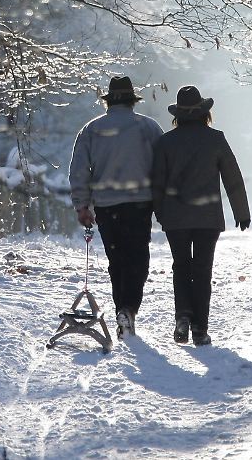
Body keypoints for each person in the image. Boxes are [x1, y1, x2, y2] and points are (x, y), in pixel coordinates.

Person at [151, 85, 250, 347]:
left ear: (178, 115)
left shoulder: (165, 142)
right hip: (207, 218)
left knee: (181, 267)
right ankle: (200, 329)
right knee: (203, 270)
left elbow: (157, 183)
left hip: (176, 217)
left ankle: (182, 317)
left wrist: (161, 213)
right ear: (204, 113)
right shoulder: (216, 139)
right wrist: (242, 212)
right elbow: (232, 177)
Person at [68, 75, 164, 338]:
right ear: (133, 100)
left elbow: (79, 171)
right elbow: (164, 167)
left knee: (116, 260)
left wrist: (82, 205)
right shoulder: (149, 128)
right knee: (137, 258)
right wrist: (163, 201)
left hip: (107, 206)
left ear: (108, 101)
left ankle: (122, 308)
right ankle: (128, 309)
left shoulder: (90, 129)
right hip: (139, 204)